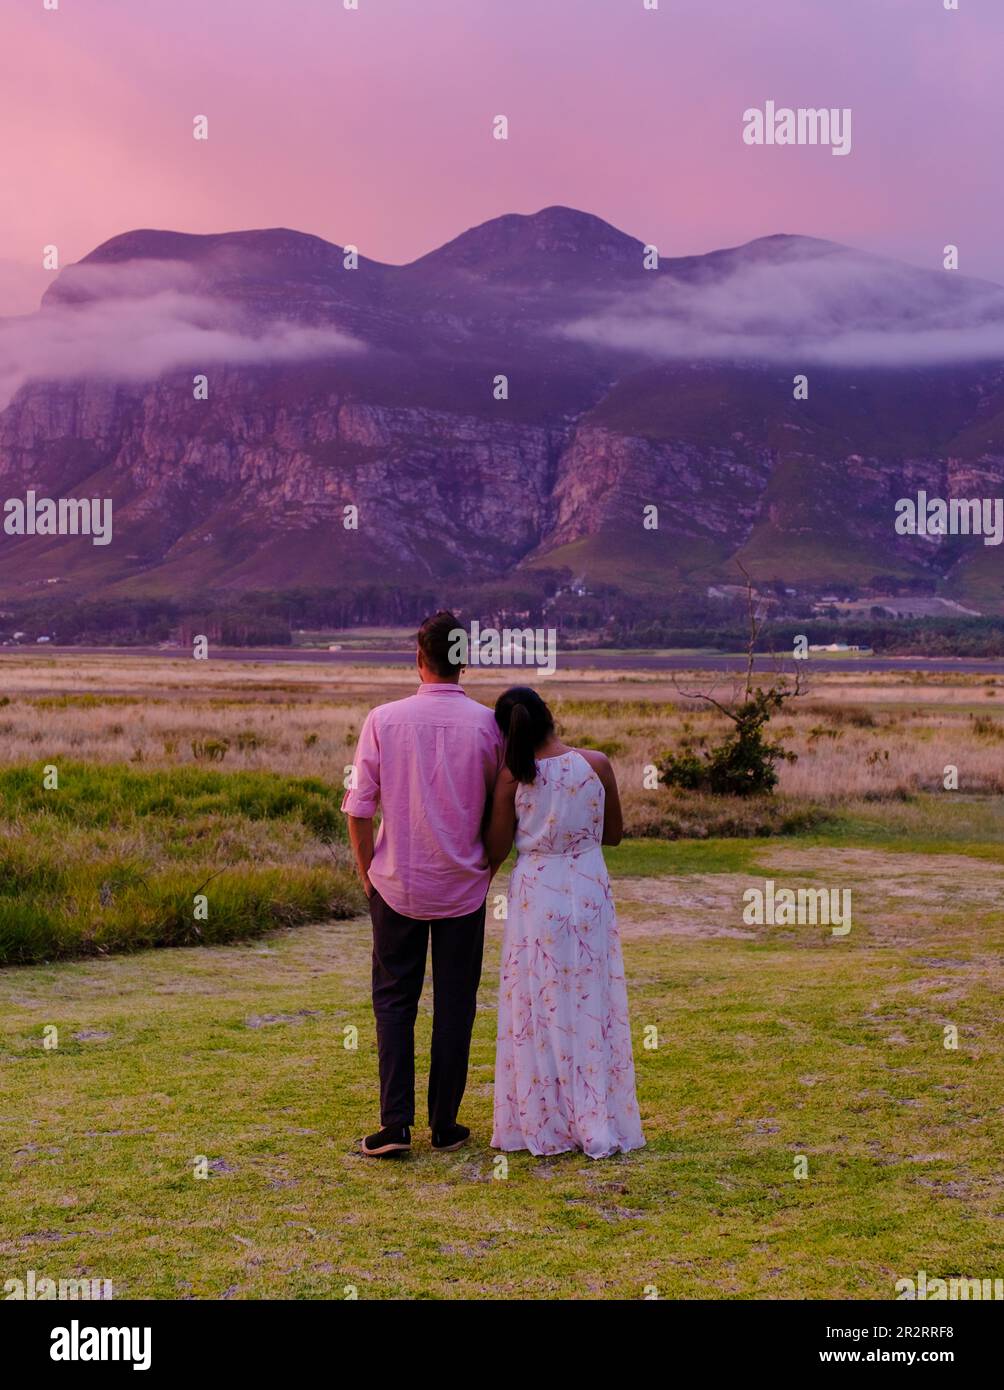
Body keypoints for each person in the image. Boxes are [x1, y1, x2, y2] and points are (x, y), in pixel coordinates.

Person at [343, 611, 503, 1157]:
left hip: (397, 884)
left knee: (394, 1001)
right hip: (464, 885)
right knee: (456, 1003)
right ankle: (446, 1124)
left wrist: (366, 871)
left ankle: (395, 1124)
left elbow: (359, 807)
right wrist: (488, 867)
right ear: (463, 660)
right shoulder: (488, 725)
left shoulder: (383, 719)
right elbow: (501, 813)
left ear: (418, 659)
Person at [486, 686, 645, 1159]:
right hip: (588, 887)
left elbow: (497, 850)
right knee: (592, 1000)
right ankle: (596, 1114)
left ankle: (543, 1117)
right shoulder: (596, 765)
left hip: (538, 893)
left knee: (538, 1004)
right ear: (549, 717)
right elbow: (613, 835)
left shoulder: (514, 779)